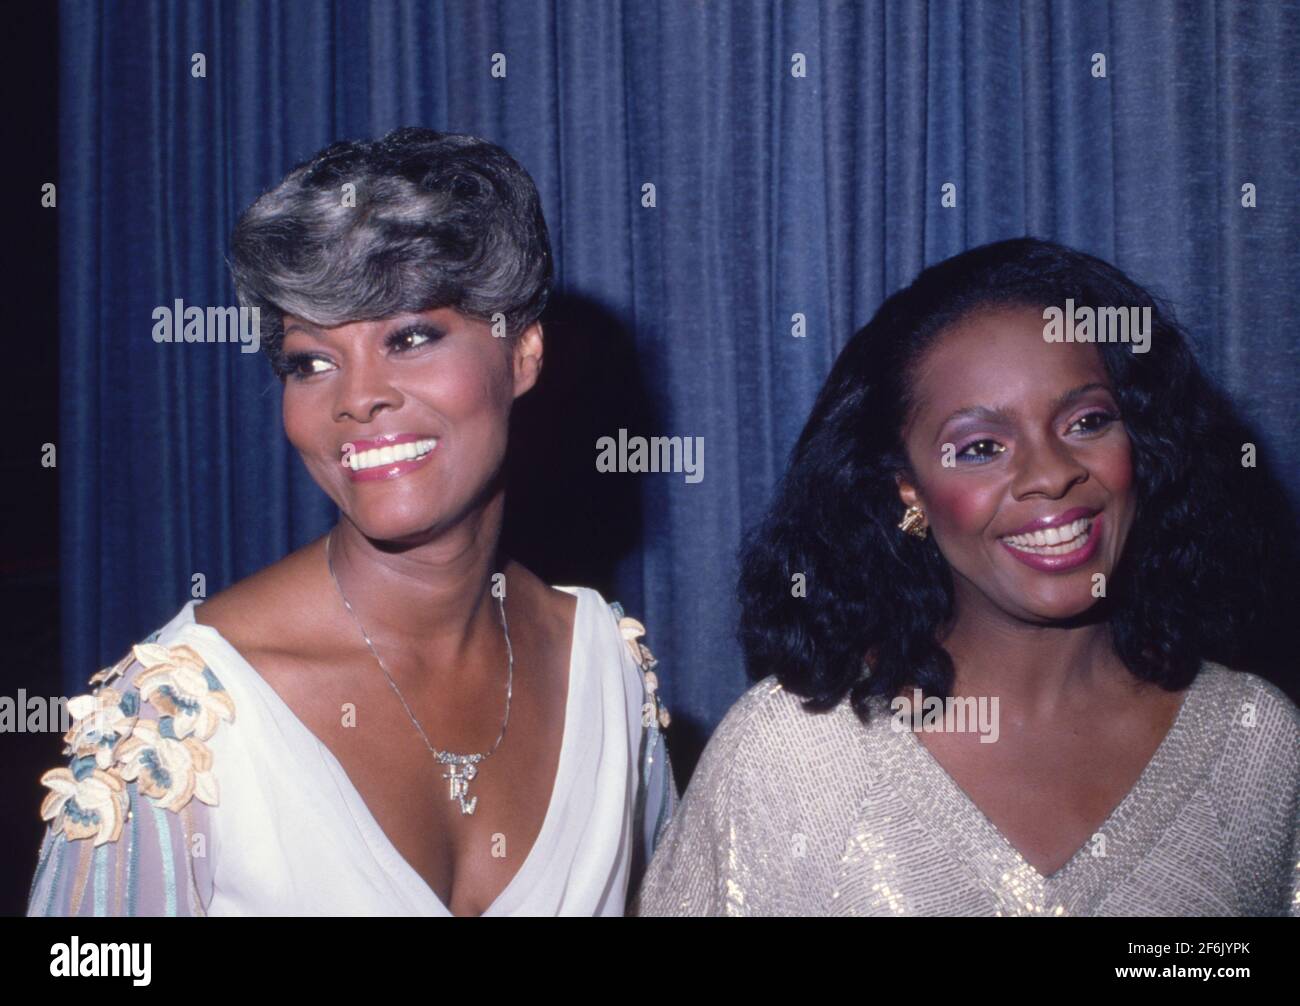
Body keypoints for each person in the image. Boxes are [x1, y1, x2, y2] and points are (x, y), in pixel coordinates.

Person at [27, 127, 676, 917]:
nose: (356, 398)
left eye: (409, 337)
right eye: (312, 361)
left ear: (523, 353)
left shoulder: (604, 665)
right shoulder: (179, 718)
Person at [635, 237, 1298, 916]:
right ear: (908, 492)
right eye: (981, 447)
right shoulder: (791, 757)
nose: (1051, 473)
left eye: (1088, 421)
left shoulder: (1253, 744)